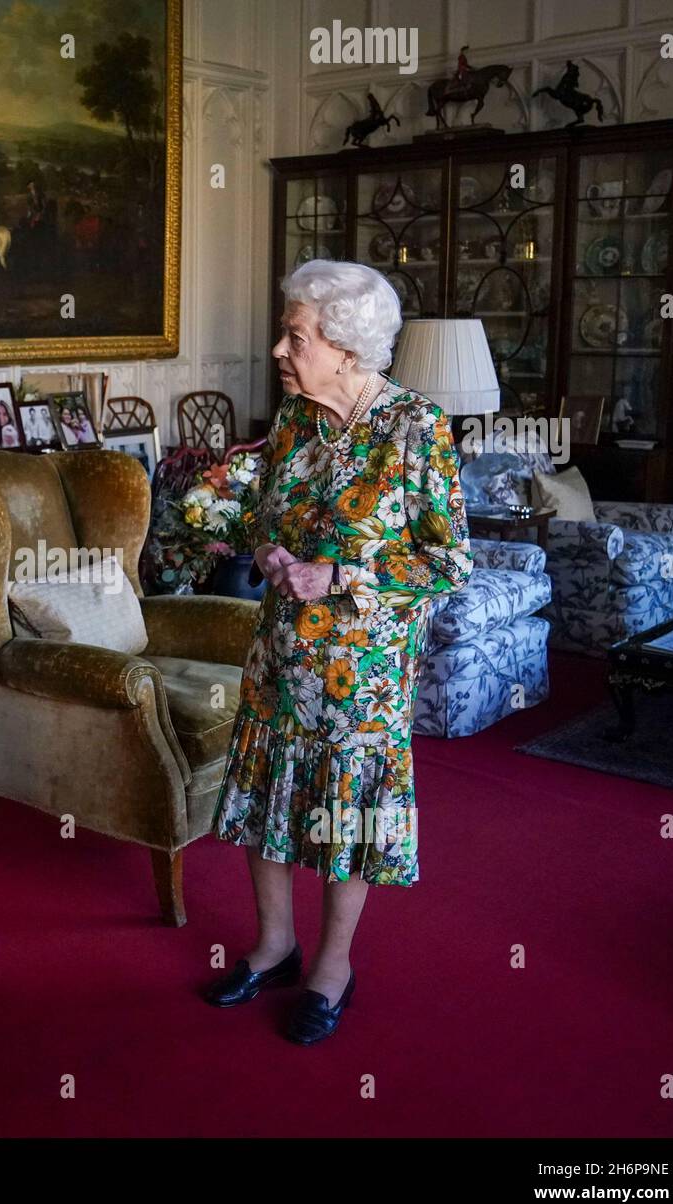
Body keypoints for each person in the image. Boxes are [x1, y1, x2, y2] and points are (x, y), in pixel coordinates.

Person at [203, 259, 473, 1045]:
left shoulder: (415, 427)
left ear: (348, 348)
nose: (281, 351)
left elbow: (450, 560)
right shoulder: (294, 420)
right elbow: (266, 518)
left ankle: (332, 966)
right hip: (280, 659)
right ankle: (274, 943)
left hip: (364, 675)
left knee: (345, 817)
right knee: (268, 805)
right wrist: (272, 553)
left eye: (296, 336)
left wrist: (342, 573)